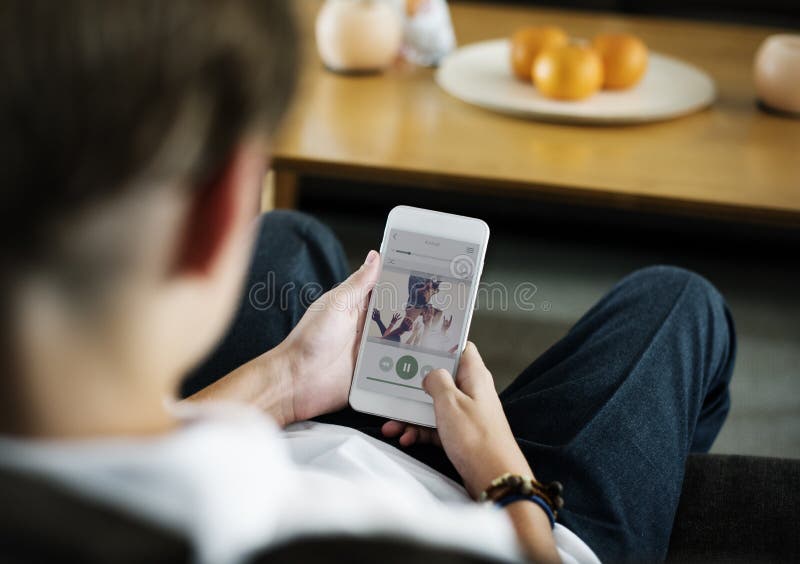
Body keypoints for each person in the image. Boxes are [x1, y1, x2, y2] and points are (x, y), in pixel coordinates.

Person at [0, 2, 736, 563]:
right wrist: (505, 476)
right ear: (219, 214)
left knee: (292, 240)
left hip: (304, 423)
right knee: (680, 302)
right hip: (501, 507)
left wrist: (287, 380)